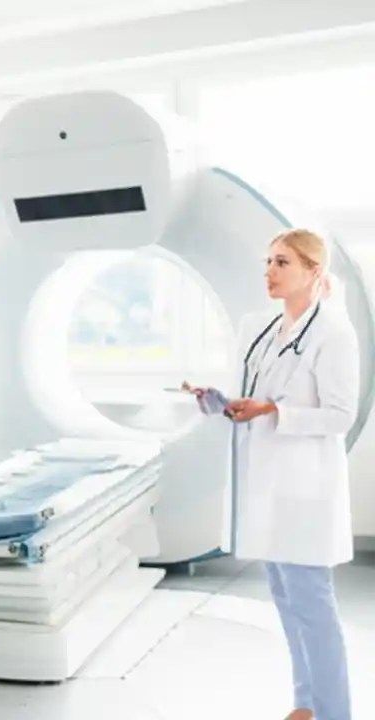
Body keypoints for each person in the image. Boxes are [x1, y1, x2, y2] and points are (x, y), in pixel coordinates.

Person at [187, 228, 357, 720]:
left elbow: (340, 416)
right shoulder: (262, 329)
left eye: (282, 262)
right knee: (285, 599)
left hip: (305, 490)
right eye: (267, 261)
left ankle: (333, 712)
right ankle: (305, 703)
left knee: (313, 605)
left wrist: (273, 411)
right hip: (267, 486)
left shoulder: (333, 334)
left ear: (313, 271)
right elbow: (252, 396)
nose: (269, 271)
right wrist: (218, 402)